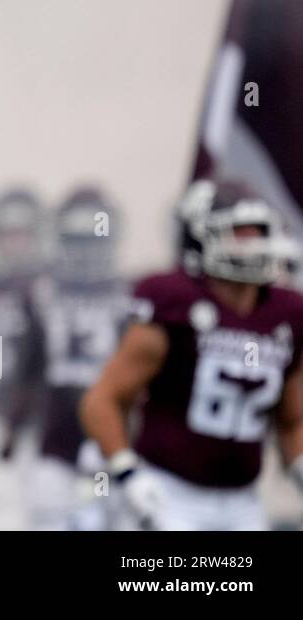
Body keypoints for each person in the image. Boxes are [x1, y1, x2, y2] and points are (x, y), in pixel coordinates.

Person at [80, 179, 303, 530]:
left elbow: (290, 421)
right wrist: (127, 472)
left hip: (244, 500)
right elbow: (102, 400)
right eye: (239, 233)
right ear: (200, 238)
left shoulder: (286, 313)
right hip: (171, 493)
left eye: (258, 232)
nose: (255, 244)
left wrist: (299, 465)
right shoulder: (174, 302)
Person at [1, 186, 131, 529]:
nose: (86, 251)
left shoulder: (130, 297)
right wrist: (11, 432)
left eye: (93, 240)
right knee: (47, 517)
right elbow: (28, 370)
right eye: (78, 241)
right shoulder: (41, 293)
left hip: (113, 442)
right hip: (55, 438)